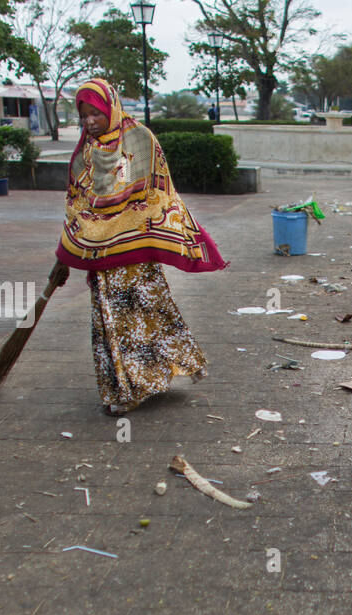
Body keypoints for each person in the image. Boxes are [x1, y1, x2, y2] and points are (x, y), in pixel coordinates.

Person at [54, 78, 227, 416]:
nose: (90, 121)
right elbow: (77, 197)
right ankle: (128, 386)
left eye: (96, 113)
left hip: (134, 246)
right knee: (111, 319)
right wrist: (73, 241)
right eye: (84, 115)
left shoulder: (139, 139)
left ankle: (145, 381)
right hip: (101, 251)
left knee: (146, 312)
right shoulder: (86, 150)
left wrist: (108, 215)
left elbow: (149, 189)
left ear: (111, 108)